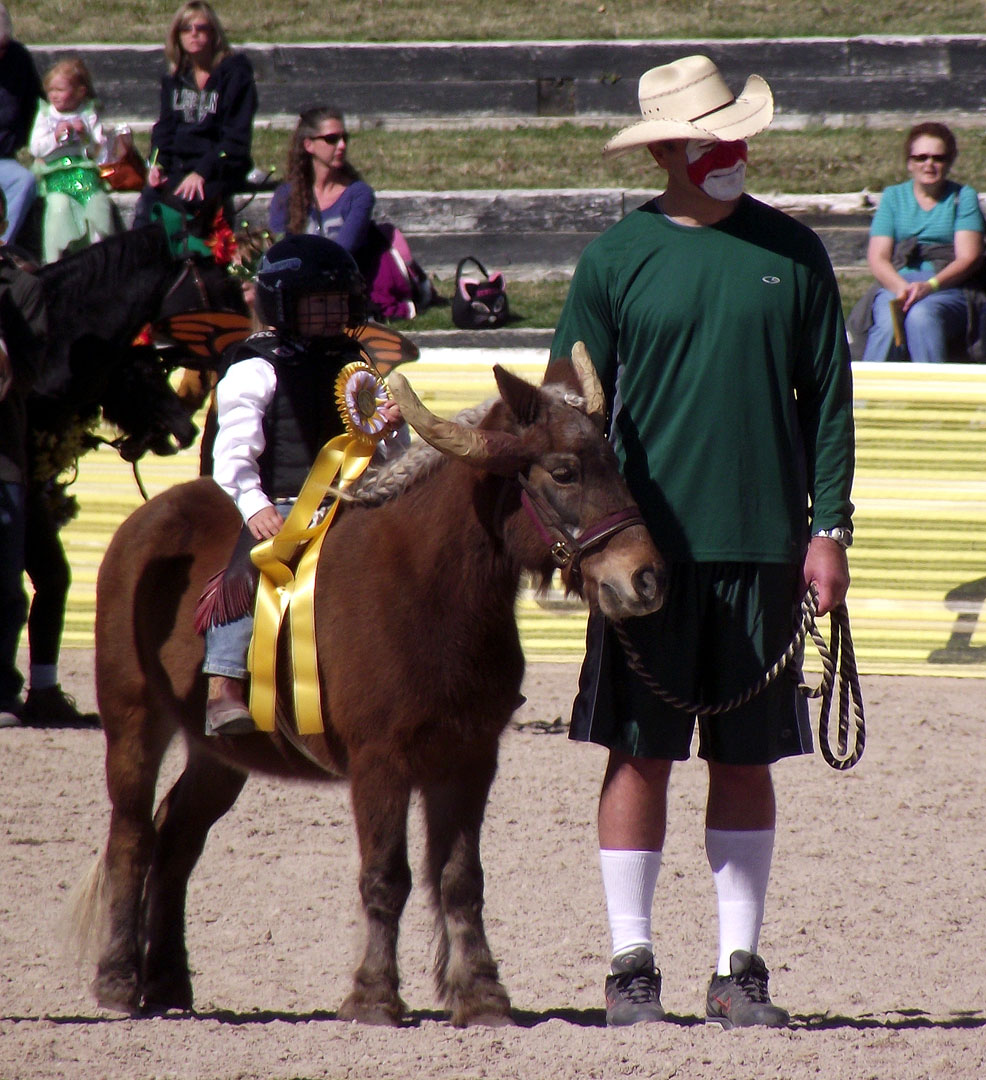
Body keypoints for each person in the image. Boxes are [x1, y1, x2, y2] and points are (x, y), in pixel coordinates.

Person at [549, 55, 854, 1029]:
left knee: (745, 760)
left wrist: (827, 530)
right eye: (711, 137)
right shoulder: (613, 260)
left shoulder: (794, 252)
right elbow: (565, 417)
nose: (733, 148)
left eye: (736, 132)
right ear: (665, 153)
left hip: (765, 550)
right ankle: (629, 964)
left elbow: (829, 404)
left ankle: (737, 968)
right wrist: (579, 540)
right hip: (642, 559)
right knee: (637, 754)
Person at [202, 233, 404, 736]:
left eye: (339, 301)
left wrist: (388, 430)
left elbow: (379, 446)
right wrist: (253, 505)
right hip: (282, 502)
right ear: (283, 303)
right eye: (318, 302)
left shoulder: (354, 359)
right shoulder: (255, 365)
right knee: (247, 570)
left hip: (355, 499)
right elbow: (233, 451)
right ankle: (223, 683)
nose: (332, 313)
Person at [268, 106, 431, 320]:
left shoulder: (358, 194)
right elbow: (278, 248)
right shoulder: (286, 195)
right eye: (331, 139)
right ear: (308, 145)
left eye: (345, 138)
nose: (342, 145)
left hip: (346, 284)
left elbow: (343, 251)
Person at [853, 122, 985, 363]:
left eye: (938, 158)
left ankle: (932, 385)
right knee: (887, 321)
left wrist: (929, 286)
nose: (929, 164)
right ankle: (870, 387)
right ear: (909, 162)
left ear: (950, 161)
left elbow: (969, 257)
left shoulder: (963, 197)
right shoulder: (893, 197)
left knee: (922, 316)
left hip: (947, 286)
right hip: (897, 284)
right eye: (921, 157)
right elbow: (878, 257)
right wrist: (901, 288)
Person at [133, 1, 257, 229]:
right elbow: (165, 129)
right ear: (177, 36)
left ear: (214, 34)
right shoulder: (174, 79)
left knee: (181, 206)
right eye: (186, 29)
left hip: (220, 168)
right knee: (146, 207)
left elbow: (235, 139)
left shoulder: (235, 75)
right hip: (179, 167)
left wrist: (202, 172)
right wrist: (157, 164)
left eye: (201, 28)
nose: (194, 34)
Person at [0, 189, 48, 727]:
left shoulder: (23, 289)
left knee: (3, 583)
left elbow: (32, 375)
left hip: (3, 456)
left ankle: (0, 686)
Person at [29, 58, 117, 264]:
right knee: (58, 206)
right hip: (55, 172)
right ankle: (54, 259)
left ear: (80, 92)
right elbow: (35, 149)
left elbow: (100, 151)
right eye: (51, 90)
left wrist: (85, 136)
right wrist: (55, 137)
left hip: (84, 172)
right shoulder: (46, 114)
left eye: (60, 90)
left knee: (97, 203)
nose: (54, 95)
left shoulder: (88, 113)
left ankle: (101, 254)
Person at [0, 4, 43, 246]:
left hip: (3, 160)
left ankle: (2, 248)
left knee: (24, 181)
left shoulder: (18, 59)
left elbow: (36, 108)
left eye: (3, 47)